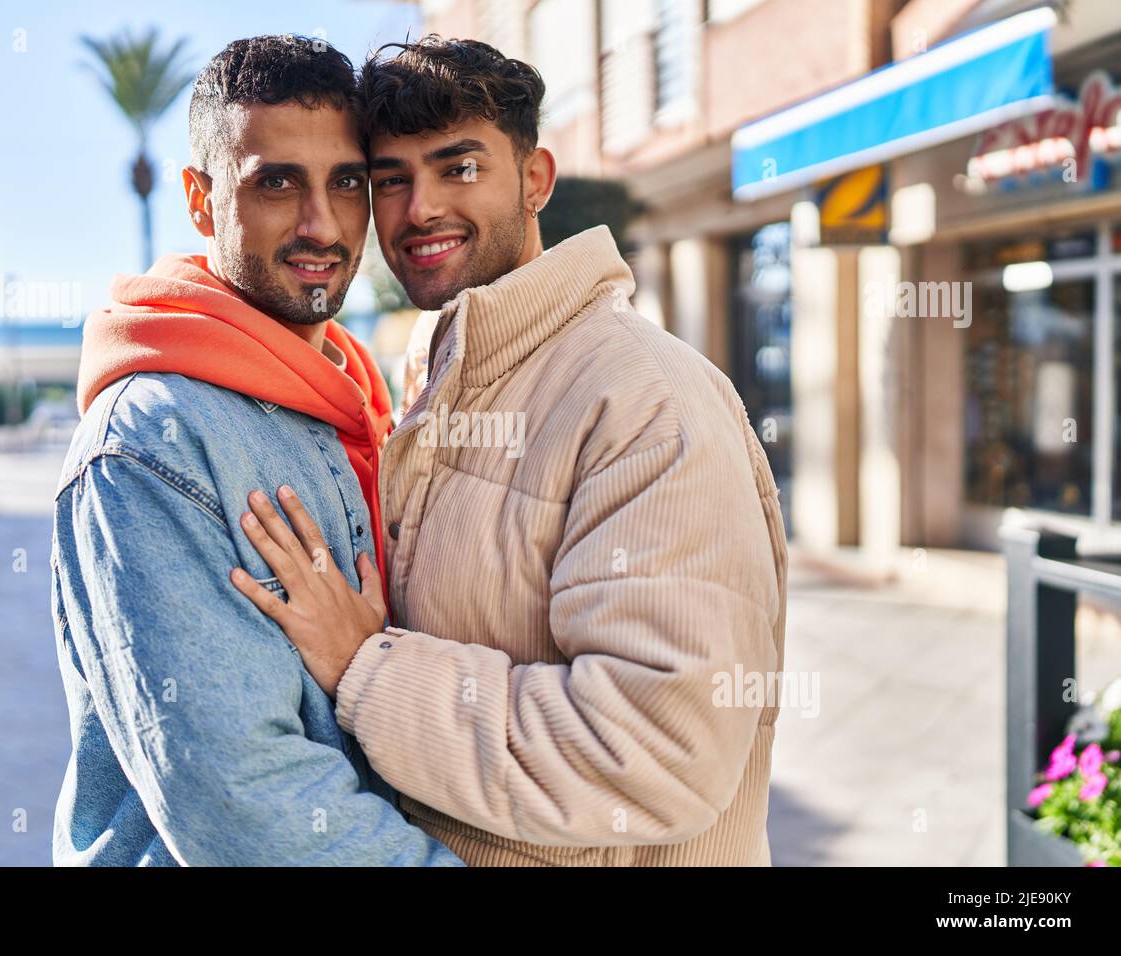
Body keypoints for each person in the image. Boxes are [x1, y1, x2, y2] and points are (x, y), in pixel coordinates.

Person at [230, 36, 788, 867]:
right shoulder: (433, 374)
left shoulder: (644, 400)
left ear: (535, 180)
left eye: (459, 168)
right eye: (392, 179)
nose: (419, 210)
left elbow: (659, 753)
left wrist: (365, 667)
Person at [49, 35, 460, 867]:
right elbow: (247, 802)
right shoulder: (149, 440)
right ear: (201, 201)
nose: (320, 224)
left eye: (346, 182)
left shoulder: (361, 399)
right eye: (276, 183)